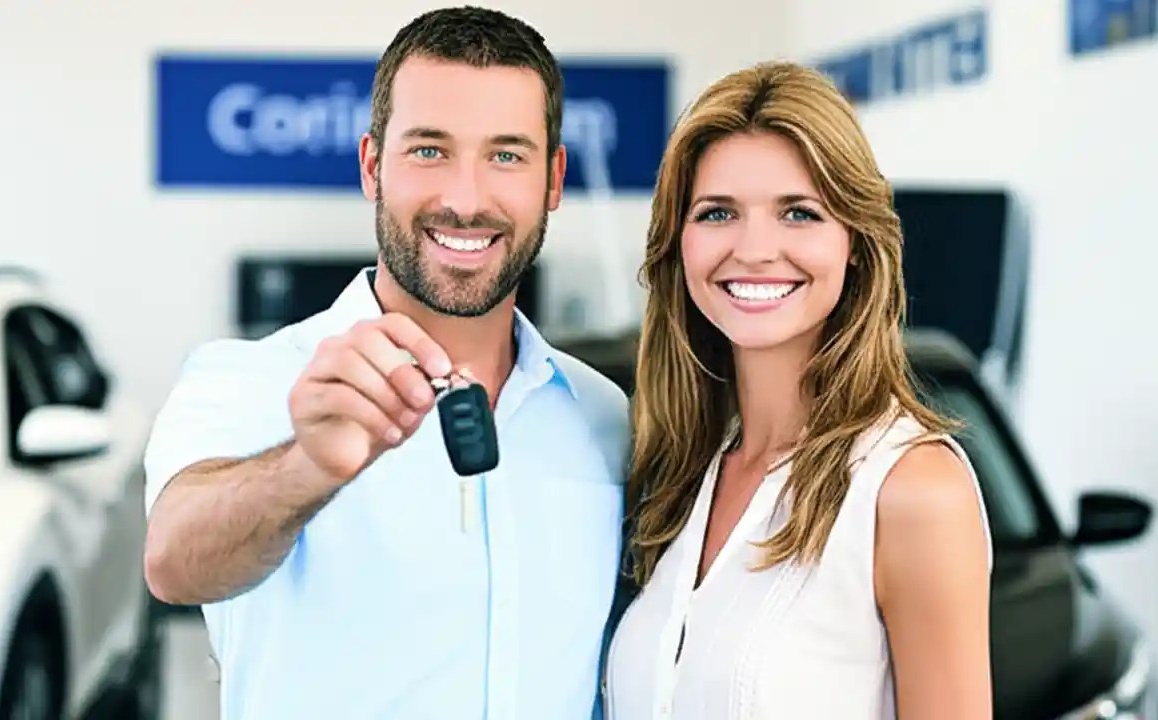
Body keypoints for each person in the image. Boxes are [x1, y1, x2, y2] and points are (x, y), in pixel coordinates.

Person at [141, 7, 630, 719]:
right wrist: (308, 467)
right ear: (373, 166)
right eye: (430, 151)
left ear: (552, 179)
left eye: (506, 155)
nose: (465, 199)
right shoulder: (244, 381)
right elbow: (175, 562)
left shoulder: (604, 417)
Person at [603, 61, 994, 719]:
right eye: (718, 212)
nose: (754, 250)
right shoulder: (680, 475)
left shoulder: (913, 492)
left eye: (799, 213)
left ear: (856, 245)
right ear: (680, 242)